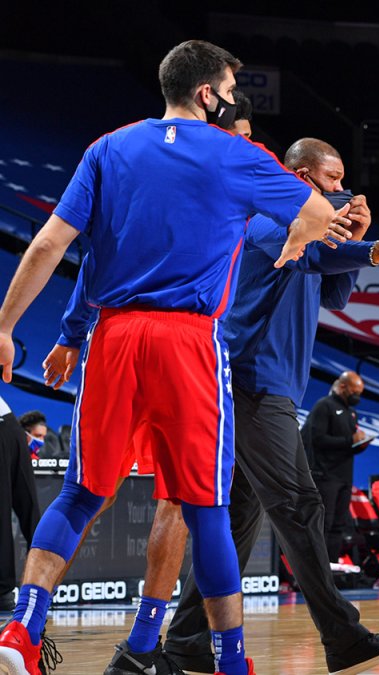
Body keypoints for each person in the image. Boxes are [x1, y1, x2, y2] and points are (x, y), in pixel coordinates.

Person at [0, 39, 340, 675]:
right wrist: (294, 244)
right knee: (205, 504)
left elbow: (54, 244)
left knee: (80, 493)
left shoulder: (108, 147)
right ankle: (231, 661)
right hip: (188, 341)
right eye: (232, 90)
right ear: (208, 95)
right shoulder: (238, 153)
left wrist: (7, 325)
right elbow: (321, 212)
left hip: (113, 334)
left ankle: (22, 628)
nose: (236, 100)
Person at [44, 132, 379, 673]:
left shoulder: (314, 233)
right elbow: (307, 256)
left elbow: (331, 288)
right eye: (333, 179)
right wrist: (373, 249)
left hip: (270, 384)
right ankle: (343, 637)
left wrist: (356, 242)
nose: (343, 189)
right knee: (299, 503)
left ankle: (187, 643)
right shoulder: (270, 219)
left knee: (241, 516)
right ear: (301, 176)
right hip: (247, 380)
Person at [304, 371, 369, 564]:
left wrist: (360, 444)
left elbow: (347, 446)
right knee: (323, 524)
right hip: (324, 475)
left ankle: (330, 569)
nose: (357, 396)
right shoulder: (324, 406)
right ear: (342, 386)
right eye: (355, 391)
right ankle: (316, 571)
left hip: (344, 476)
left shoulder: (351, 412)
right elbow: (317, 439)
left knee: (338, 525)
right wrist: (350, 440)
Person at [0, 394, 38, 614]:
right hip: (10, 424)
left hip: (5, 429)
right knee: (30, 512)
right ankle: (42, 588)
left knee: (26, 514)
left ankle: (4, 593)